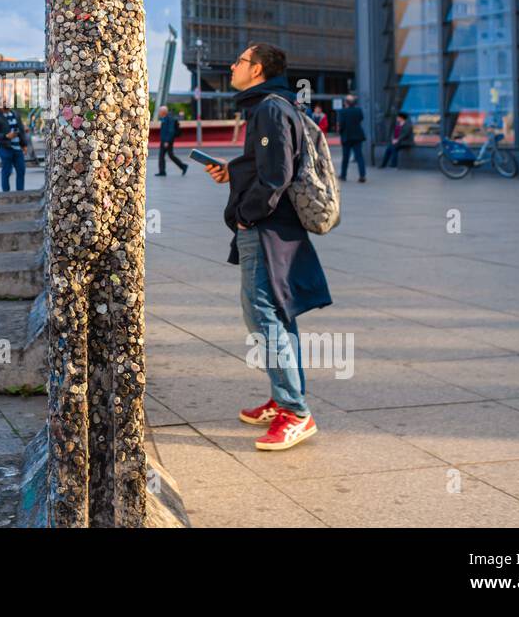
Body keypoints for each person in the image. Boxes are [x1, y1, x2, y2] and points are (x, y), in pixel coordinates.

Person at [204, 43, 331, 452]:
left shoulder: (270, 109)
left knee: (261, 313)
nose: (232, 66)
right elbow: (268, 163)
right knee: (276, 312)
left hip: (265, 227)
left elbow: (277, 175)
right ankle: (283, 400)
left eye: (239, 61)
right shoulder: (274, 105)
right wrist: (233, 172)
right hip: (272, 226)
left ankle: (295, 412)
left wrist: (247, 214)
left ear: (257, 69)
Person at [0, 98, 29, 192]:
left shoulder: (15, 114)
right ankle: (6, 194)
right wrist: (6, 136)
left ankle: (20, 193)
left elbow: (21, 130)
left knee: (21, 171)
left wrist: (24, 145)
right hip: (5, 148)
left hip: (18, 149)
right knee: (6, 172)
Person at [337, 94, 367, 183]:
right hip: (357, 136)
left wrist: (340, 132)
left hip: (347, 137)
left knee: (345, 157)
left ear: (346, 103)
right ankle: (362, 175)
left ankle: (343, 175)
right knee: (359, 156)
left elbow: (341, 124)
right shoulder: (358, 110)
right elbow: (361, 119)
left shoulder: (342, 112)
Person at [155, 105, 188, 176]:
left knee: (165, 155)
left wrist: (167, 141)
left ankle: (182, 166)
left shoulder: (169, 118)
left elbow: (171, 130)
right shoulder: (165, 118)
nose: (159, 112)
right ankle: (182, 166)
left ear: (163, 112)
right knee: (167, 155)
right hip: (165, 140)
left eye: (160, 111)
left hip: (167, 140)